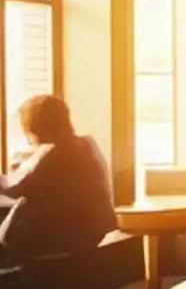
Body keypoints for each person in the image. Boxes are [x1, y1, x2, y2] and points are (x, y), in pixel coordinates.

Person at [0, 95, 115, 262]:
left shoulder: (53, 152)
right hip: (92, 231)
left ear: (36, 127)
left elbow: (16, 186)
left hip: (60, 235)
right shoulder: (86, 144)